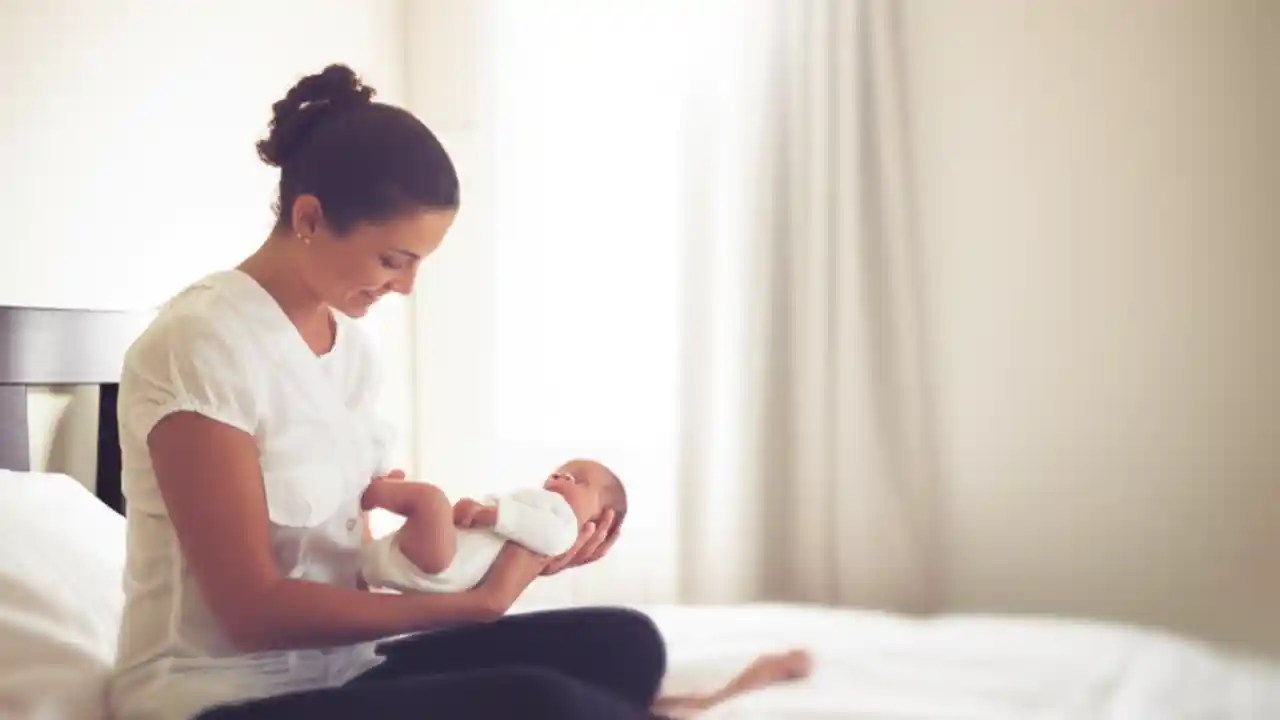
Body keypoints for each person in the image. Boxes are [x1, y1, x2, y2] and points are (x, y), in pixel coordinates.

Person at [108, 64, 653, 720]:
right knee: (546, 703)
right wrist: (471, 609)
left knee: (624, 646)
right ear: (309, 217)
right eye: (393, 260)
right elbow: (251, 612)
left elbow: (361, 571)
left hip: (343, 675)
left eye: (420, 262)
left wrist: (512, 560)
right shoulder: (199, 343)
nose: (405, 287)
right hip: (217, 695)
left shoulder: (351, 353)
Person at [360, 460, 627, 594]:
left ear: (594, 523)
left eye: (578, 480)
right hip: (444, 562)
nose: (561, 476)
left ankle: (370, 491)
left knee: (431, 500)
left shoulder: (564, 523)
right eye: (559, 472)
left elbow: (555, 536)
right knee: (388, 545)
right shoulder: (534, 510)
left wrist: (488, 514)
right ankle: (382, 496)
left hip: (448, 564)